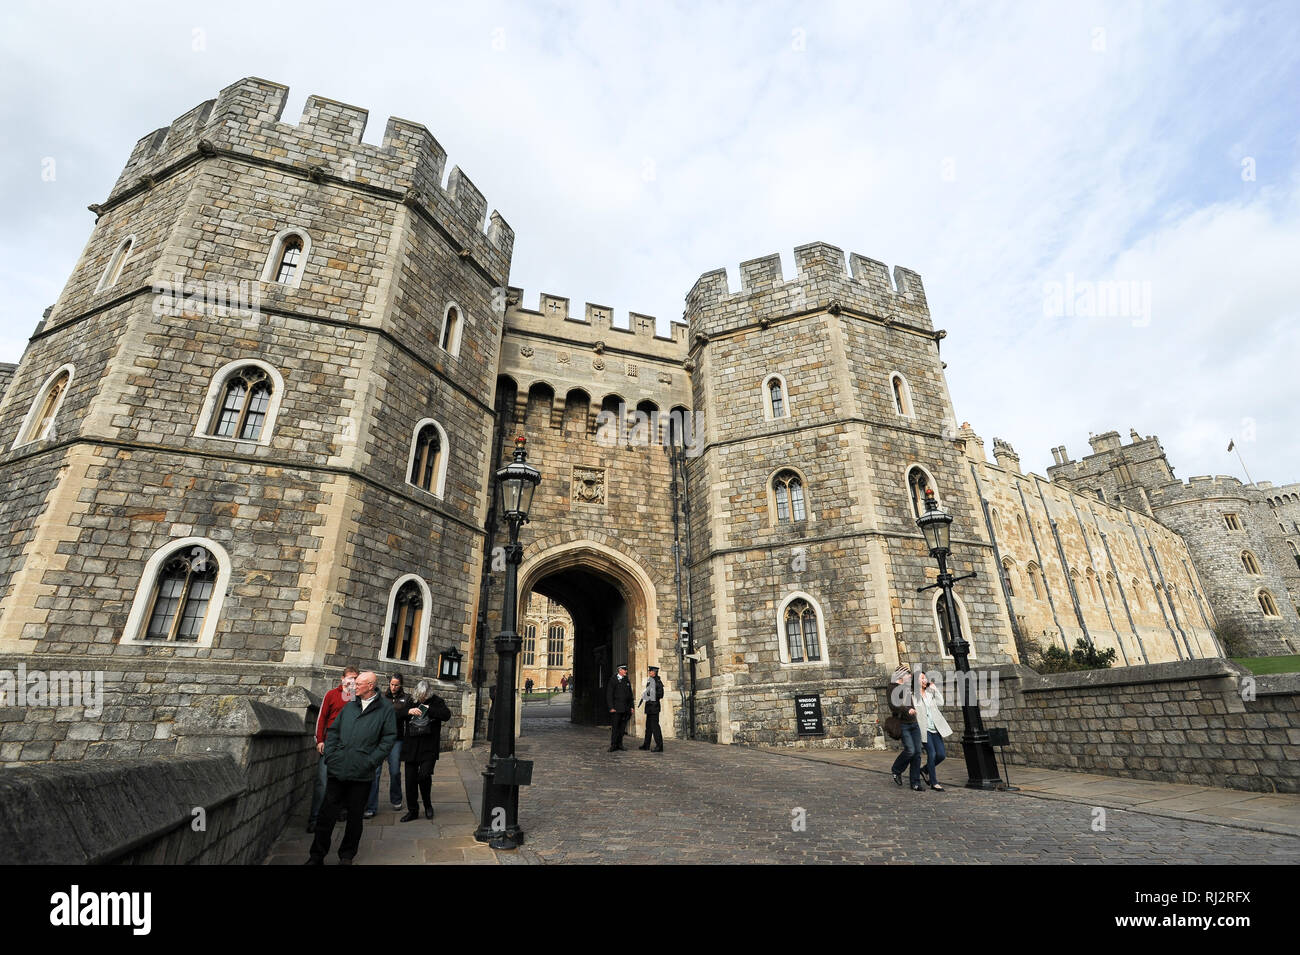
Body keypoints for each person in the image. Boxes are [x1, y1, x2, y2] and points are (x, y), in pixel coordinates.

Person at [306, 671, 396, 864]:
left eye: (359, 683)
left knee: (355, 818)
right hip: (338, 768)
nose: (354, 686)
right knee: (326, 815)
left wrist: (371, 761)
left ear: (370, 686)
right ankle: (316, 856)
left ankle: (347, 856)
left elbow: (388, 739)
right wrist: (332, 754)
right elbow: (334, 730)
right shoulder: (350, 705)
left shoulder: (385, 708)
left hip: (362, 773)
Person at [307, 665, 358, 832]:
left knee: (343, 779)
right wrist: (319, 740)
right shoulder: (331, 695)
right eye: (350, 677)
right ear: (342, 679)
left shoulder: (354, 698)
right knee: (322, 781)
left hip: (348, 745)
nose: (353, 680)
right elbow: (322, 717)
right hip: (330, 743)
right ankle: (314, 818)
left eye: (355, 678)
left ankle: (338, 810)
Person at [400, 679, 453, 822]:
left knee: (424, 776)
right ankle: (413, 811)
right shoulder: (411, 700)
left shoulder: (436, 701)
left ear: (429, 693)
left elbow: (446, 715)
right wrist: (409, 711)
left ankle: (428, 805)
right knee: (410, 781)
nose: (422, 698)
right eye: (420, 695)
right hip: (411, 746)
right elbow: (398, 713)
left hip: (428, 747)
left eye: (424, 695)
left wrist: (429, 709)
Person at [366, 673, 414, 815]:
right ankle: (371, 806)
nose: (393, 687)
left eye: (396, 685)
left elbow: (409, 720)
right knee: (376, 772)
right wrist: (404, 712)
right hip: (380, 739)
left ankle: (396, 798)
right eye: (392, 684)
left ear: (401, 685)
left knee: (395, 771)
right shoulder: (381, 698)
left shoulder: (407, 698)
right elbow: (382, 715)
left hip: (396, 739)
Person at [889, 665, 924, 792]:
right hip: (903, 724)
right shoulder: (892, 687)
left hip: (914, 723)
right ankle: (896, 770)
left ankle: (915, 782)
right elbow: (894, 705)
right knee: (910, 750)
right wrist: (907, 709)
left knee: (917, 753)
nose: (910, 676)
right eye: (907, 674)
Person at [916, 670, 953, 792]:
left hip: (935, 728)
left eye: (925, 678)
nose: (924, 680)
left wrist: (935, 690)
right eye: (921, 678)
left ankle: (924, 769)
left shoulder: (929, 693)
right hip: (924, 729)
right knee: (931, 754)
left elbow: (940, 702)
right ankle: (934, 782)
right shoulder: (913, 695)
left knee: (941, 755)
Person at [637, 664, 665, 752]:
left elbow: (660, 694)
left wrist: (651, 694)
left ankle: (659, 745)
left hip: (654, 707)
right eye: (649, 671)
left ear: (655, 672)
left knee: (655, 727)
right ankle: (646, 744)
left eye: (651, 671)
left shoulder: (658, 682)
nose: (649, 672)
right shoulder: (650, 681)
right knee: (648, 727)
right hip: (649, 707)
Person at [607, 663, 634, 751]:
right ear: (620, 670)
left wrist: (631, 707)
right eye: (624, 670)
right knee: (615, 728)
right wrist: (611, 707)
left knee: (622, 728)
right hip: (616, 708)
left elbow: (630, 695)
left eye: (626, 670)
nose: (626, 671)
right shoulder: (613, 680)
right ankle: (613, 745)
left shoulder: (626, 680)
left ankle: (620, 744)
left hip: (625, 708)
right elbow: (609, 694)